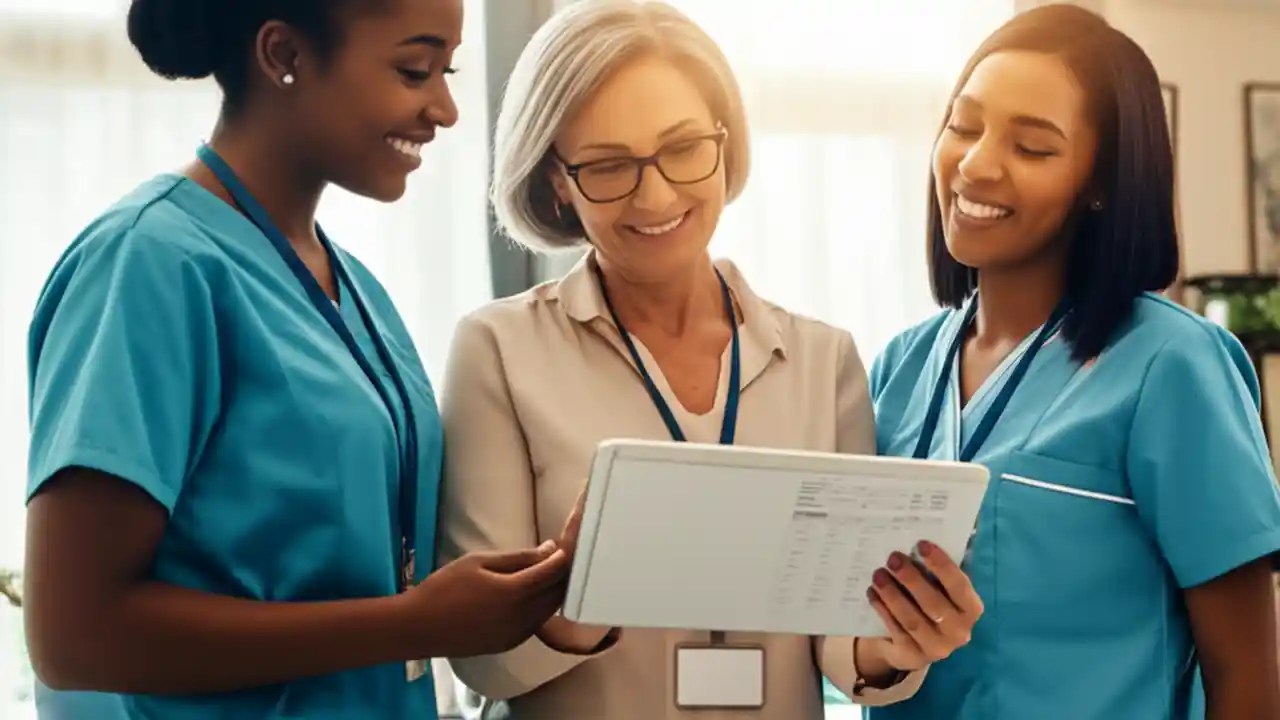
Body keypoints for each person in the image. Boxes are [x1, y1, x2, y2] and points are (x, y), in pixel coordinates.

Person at [22, 1, 572, 719]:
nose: (444, 108)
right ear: (282, 54)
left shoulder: (357, 290)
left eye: (448, 70)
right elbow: (74, 637)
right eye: (414, 69)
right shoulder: (149, 263)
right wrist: (416, 622)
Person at [435, 2, 983, 718]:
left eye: (684, 147)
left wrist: (903, 639)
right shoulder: (498, 352)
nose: (656, 194)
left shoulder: (825, 361)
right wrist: (586, 597)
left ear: (726, 143)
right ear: (557, 182)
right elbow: (481, 662)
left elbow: (843, 639)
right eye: (607, 165)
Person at [867, 5, 1280, 719]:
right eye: (964, 125)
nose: (976, 162)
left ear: (1100, 184)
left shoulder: (1172, 364)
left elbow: (1248, 675)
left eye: (1032, 147)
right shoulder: (899, 368)